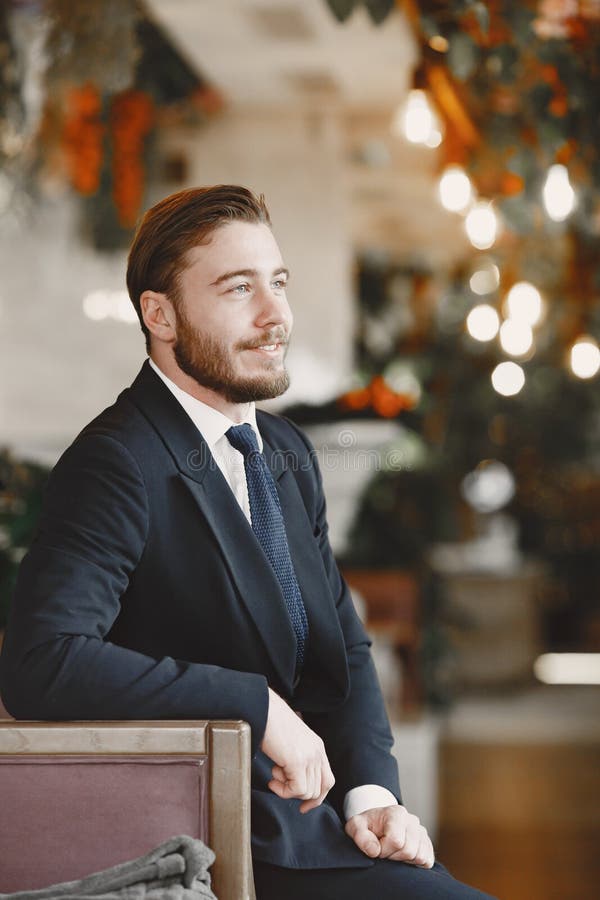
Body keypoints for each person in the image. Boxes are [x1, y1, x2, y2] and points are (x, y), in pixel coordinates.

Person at [0, 186, 496, 900]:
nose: (276, 317)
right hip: (215, 839)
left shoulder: (286, 450)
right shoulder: (117, 461)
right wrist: (254, 706)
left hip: (322, 828)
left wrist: (372, 799)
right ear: (160, 314)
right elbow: (41, 662)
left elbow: (345, 650)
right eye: (239, 288)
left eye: (279, 283)